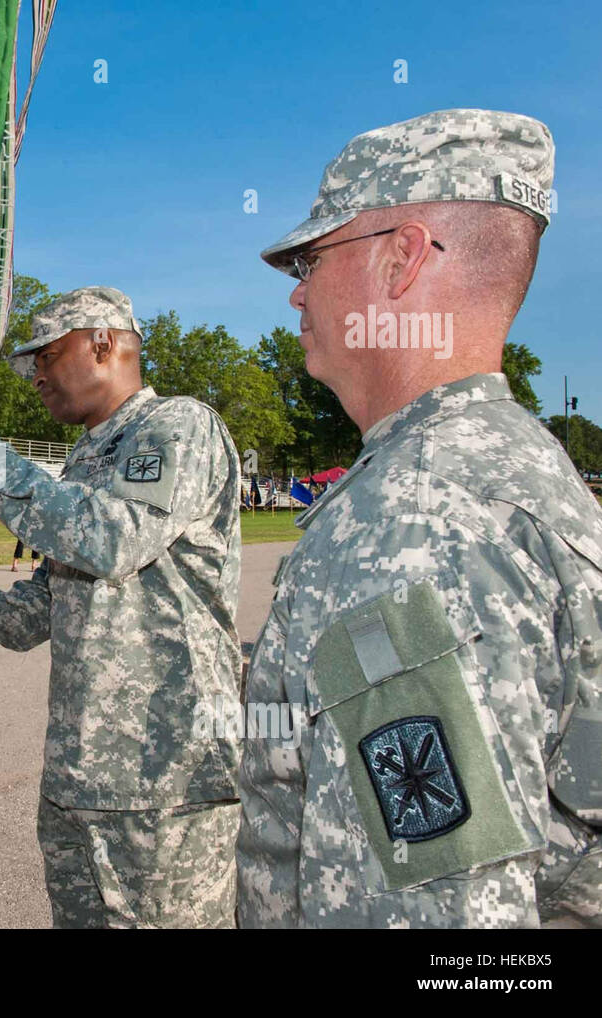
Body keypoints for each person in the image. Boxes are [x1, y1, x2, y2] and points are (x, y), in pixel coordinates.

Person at [237, 109, 602, 928]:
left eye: (310, 257)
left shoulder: (413, 523)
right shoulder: (519, 470)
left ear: (400, 257)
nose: (297, 289)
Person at [0, 286, 244, 928]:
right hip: (84, 768)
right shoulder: (86, 456)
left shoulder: (177, 424)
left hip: (163, 772)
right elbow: (55, 594)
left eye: (45, 355)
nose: (35, 375)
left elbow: (114, 539)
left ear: (103, 342)